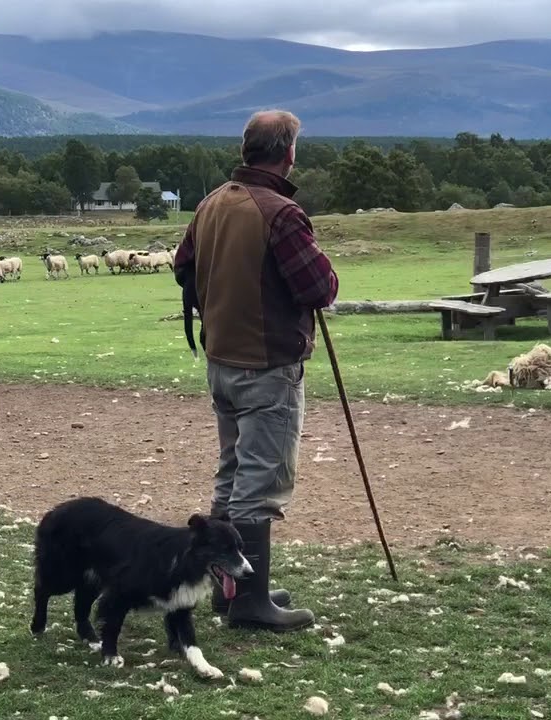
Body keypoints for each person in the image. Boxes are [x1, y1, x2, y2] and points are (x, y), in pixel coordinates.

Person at [173, 109, 338, 633]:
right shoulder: (280, 213)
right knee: (259, 483)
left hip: (221, 360)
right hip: (267, 366)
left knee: (231, 473)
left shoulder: (210, 204)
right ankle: (249, 604)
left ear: (246, 149)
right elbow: (319, 288)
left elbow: (182, 267)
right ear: (288, 152)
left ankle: (232, 585)